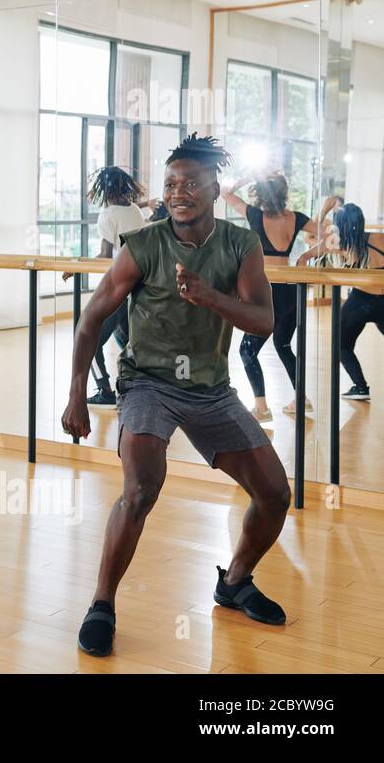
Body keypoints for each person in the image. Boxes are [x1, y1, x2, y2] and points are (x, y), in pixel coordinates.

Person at [64, 134, 290, 658]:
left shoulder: (241, 244)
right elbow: (92, 319)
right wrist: (78, 393)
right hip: (148, 383)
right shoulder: (143, 245)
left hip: (211, 390)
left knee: (275, 493)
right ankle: (102, 604)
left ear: (215, 189)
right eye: (170, 183)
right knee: (141, 488)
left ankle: (234, 582)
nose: (178, 191)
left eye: (190, 183)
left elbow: (264, 319)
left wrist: (212, 297)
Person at [222, 173, 317, 419]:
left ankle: (262, 408)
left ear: (261, 194)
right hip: (292, 289)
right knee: (283, 345)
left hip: (268, 290)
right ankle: (301, 399)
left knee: (247, 350)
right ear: (284, 193)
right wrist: (308, 256)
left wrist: (247, 177)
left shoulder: (256, 215)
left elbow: (225, 193)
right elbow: (331, 235)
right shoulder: (296, 218)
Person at [67, 167, 147, 409]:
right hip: (139, 284)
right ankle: (142, 383)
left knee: (86, 337)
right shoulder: (134, 210)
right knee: (128, 339)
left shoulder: (108, 214)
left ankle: (104, 389)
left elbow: (104, 256)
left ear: (104, 190)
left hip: (119, 286)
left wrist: (78, 265)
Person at [298, 201, 384, 401]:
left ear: (340, 224)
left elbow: (309, 238)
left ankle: (361, 387)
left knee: (341, 346)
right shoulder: (379, 238)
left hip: (360, 302)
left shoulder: (339, 243)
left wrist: (325, 209)